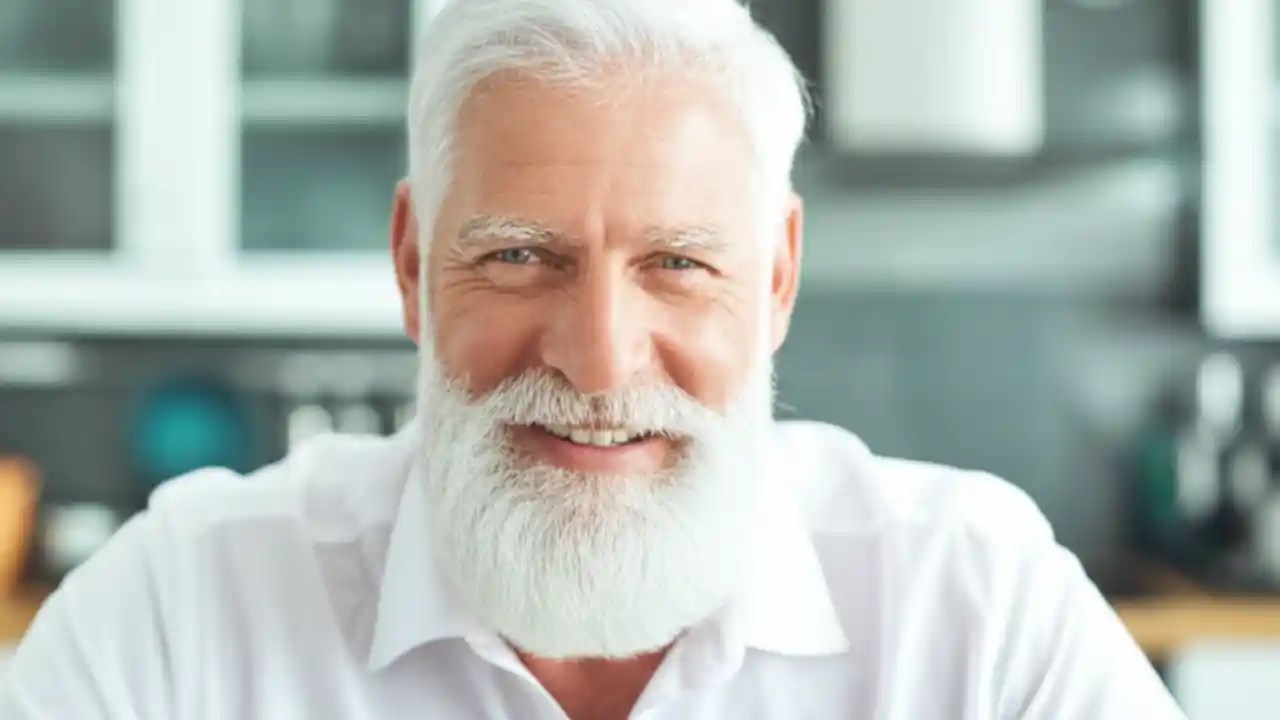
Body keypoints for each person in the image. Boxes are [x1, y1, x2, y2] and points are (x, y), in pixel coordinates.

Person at [0, 1, 1185, 718]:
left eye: (676, 262)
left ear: (774, 276)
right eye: (519, 255)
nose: (601, 362)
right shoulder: (178, 613)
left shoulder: (974, 618)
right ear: (412, 262)